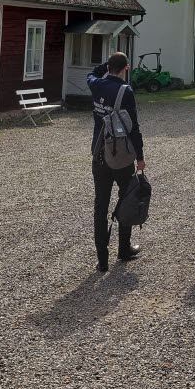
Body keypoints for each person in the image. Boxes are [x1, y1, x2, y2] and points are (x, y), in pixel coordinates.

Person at [88, 51, 145, 272]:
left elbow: (93, 73)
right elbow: (133, 127)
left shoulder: (96, 84)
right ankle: (123, 249)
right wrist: (139, 157)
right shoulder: (125, 91)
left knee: (100, 206)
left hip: (99, 152)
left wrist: (109, 64)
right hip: (121, 155)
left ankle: (102, 259)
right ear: (125, 68)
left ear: (109, 66)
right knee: (126, 199)